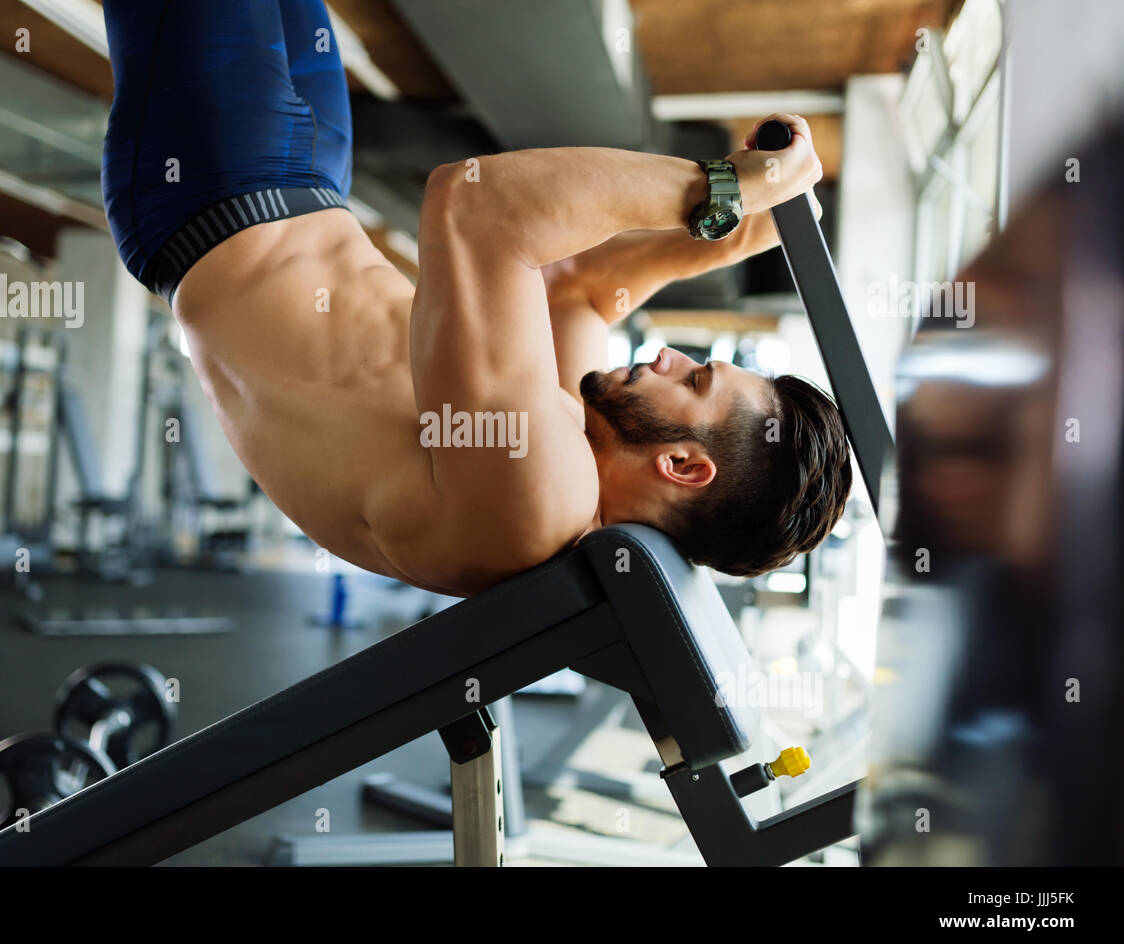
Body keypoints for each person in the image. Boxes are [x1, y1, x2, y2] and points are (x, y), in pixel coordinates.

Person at [101, 0, 852, 596]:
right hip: (307, 174)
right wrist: (743, 231)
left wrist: (720, 190)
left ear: (686, 466)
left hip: (211, 180)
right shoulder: (571, 452)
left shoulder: (536, 509)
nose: (667, 354)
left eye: (696, 380)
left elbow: (474, 205)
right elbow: (577, 293)